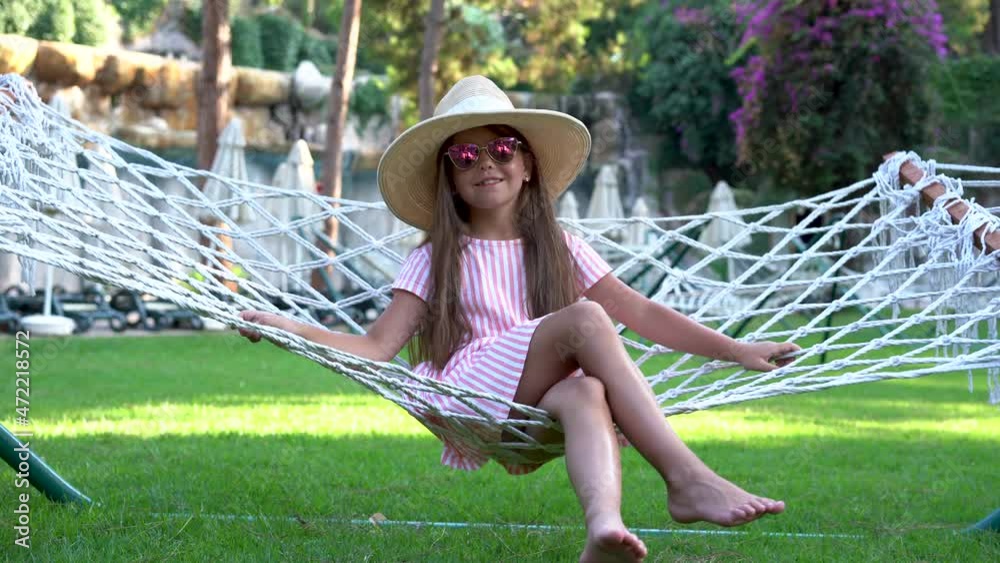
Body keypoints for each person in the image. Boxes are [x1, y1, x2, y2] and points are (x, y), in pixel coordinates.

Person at [238, 76, 801, 563]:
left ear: (527, 164)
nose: (486, 162)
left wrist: (735, 349)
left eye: (503, 148)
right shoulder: (436, 258)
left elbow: (641, 311)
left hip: (533, 411)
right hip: (473, 396)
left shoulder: (560, 247)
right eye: (465, 156)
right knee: (586, 318)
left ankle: (604, 527)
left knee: (587, 393)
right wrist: (293, 329)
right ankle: (686, 478)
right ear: (449, 177)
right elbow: (377, 348)